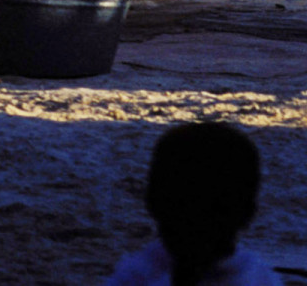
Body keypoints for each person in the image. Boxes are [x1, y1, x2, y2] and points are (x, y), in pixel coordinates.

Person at [106, 122, 276, 286]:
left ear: (152, 202)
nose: (199, 227)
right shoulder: (260, 277)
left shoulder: (135, 275)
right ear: (249, 213)